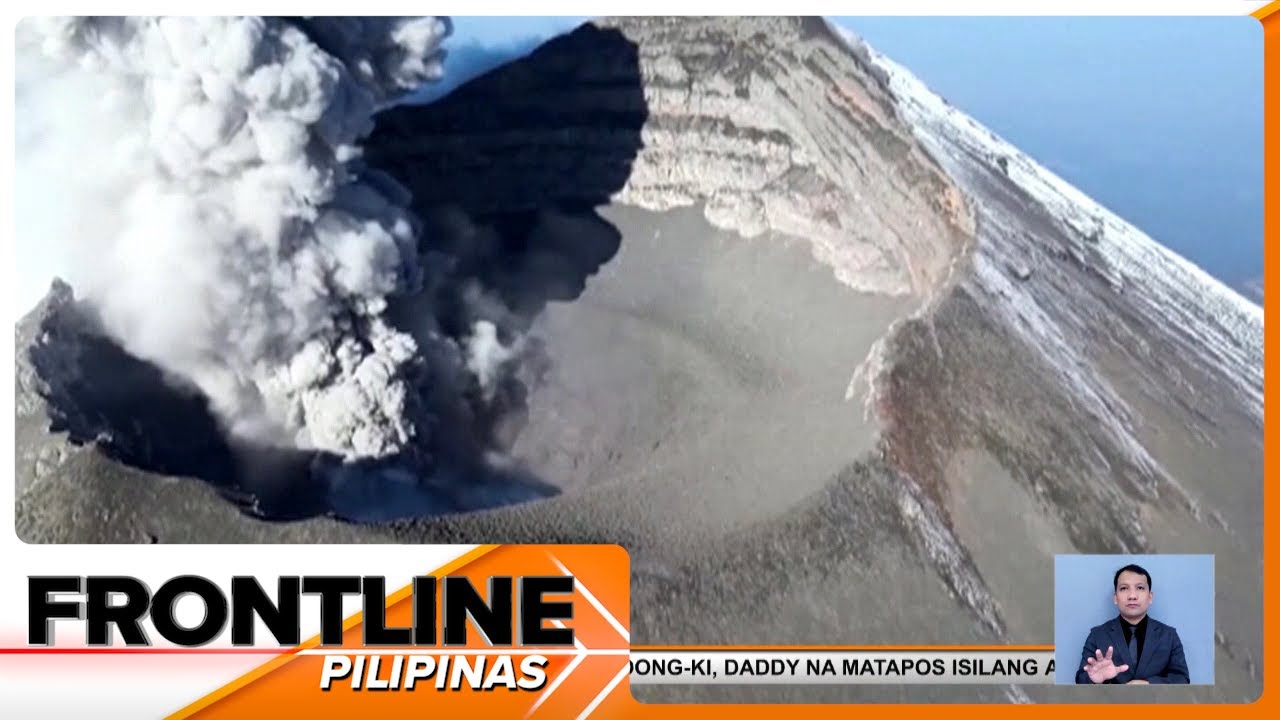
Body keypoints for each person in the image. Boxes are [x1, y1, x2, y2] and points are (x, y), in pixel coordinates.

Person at [1075, 564, 1190, 684]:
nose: (1132, 596)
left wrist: (1149, 684)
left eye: (1140, 588)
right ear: (1115, 598)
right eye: (1124, 588)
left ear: (1150, 597)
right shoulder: (1097, 635)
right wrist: (1095, 680)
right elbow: (1081, 679)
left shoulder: (1169, 635)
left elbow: (1182, 679)